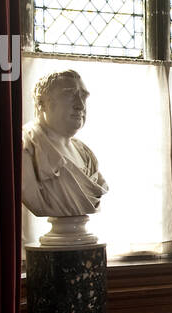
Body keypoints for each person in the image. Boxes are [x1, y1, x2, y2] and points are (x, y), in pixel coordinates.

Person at [22, 70, 108, 218]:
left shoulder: (85, 153)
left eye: (83, 97)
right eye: (69, 95)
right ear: (41, 103)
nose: (80, 106)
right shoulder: (26, 147)